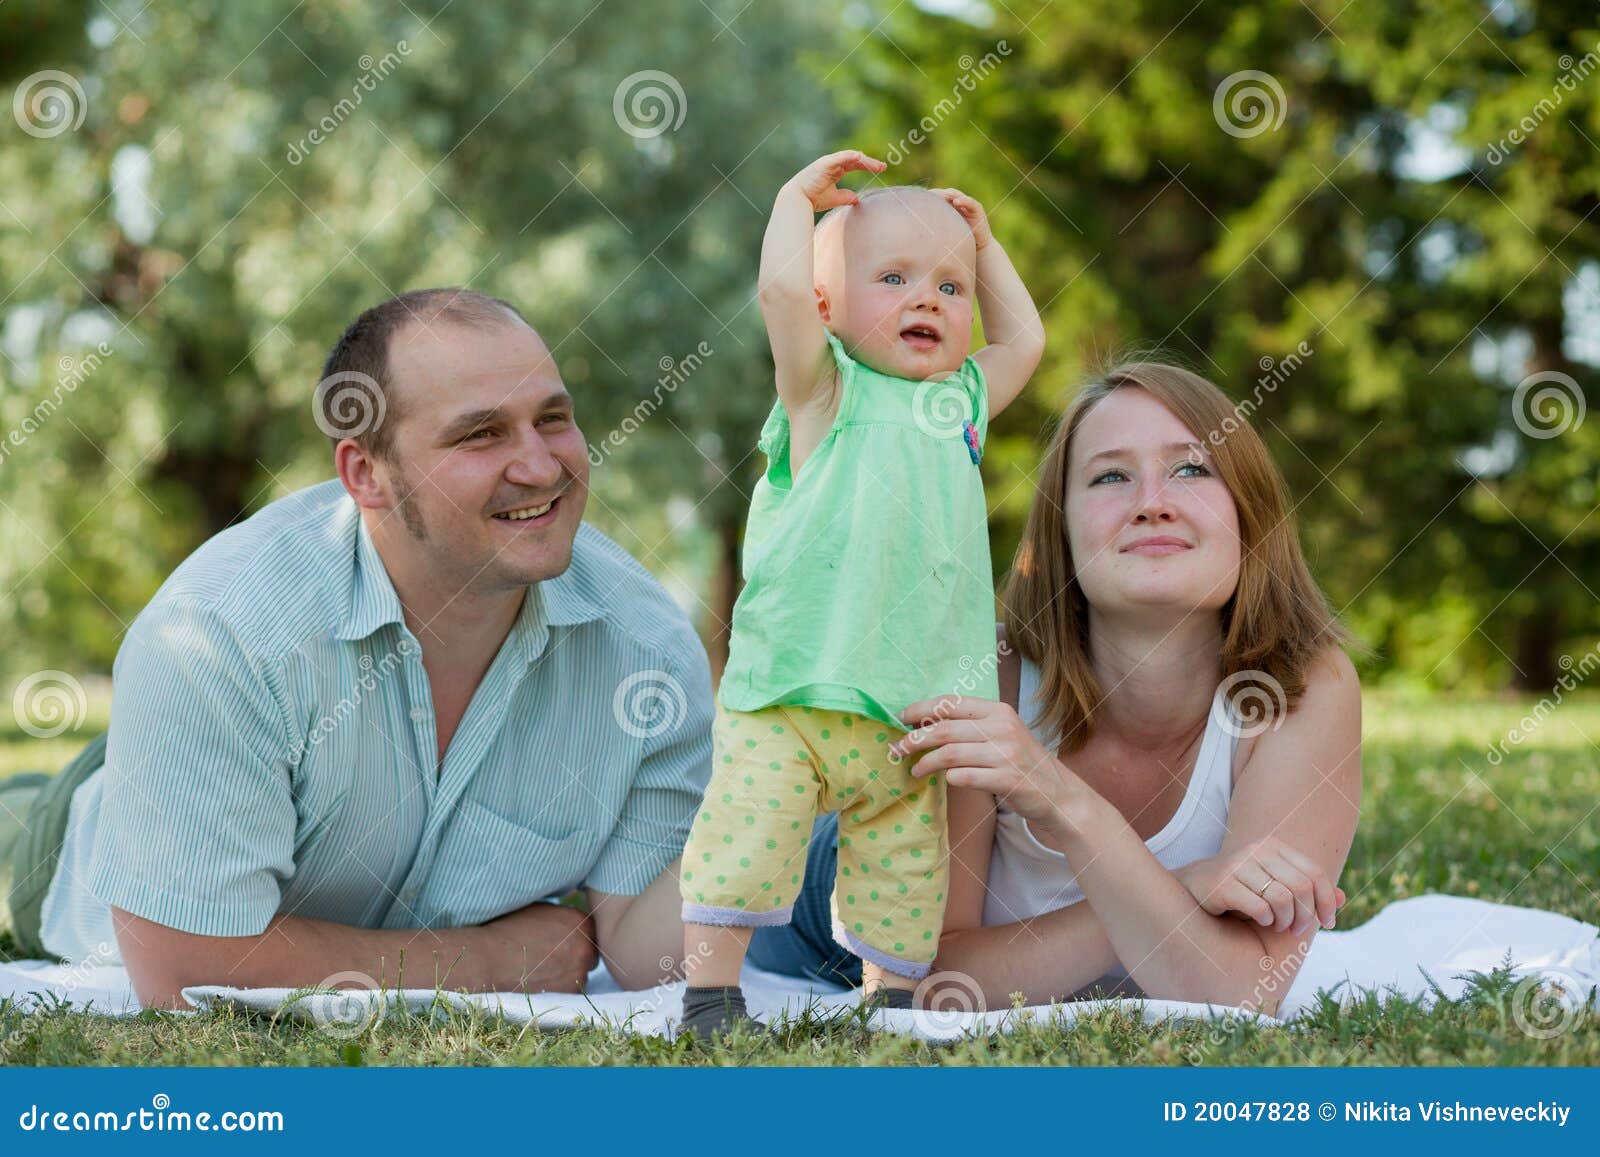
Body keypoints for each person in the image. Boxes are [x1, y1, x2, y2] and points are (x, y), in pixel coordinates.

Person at [6, 289, 714, 1009]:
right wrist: (488, 959)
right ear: (365, 475)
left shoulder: (647, 652)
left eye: (552, 419)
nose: (540, 466)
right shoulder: (218, 635)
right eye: (481, 435)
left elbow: (640, 941)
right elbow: (186, 967)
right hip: (67, 841)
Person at [750, 361, 1360, 1015]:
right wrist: (1179, 892)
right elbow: (919, 984)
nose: (1153, 501)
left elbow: (1239, 992)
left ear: (1250, 511)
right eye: (1111, 476)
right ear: (1062, 534)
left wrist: (1068, 805)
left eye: (1191, 468)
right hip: (826, 896)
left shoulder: (1302, 688)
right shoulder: (983, 674)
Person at [677, 150, 1046, 1038]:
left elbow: (1026, 342)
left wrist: (987, 249)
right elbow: (777, 297)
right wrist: (790, 207)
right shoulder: (823, 391)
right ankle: (710, 995)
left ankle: (887, 1001)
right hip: (793, 693)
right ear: (830, 306)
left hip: (911, 708)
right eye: (894, 277)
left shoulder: (961, 401)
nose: (929, 299)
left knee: (906, 869)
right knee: (745, 843)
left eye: (950, 287)